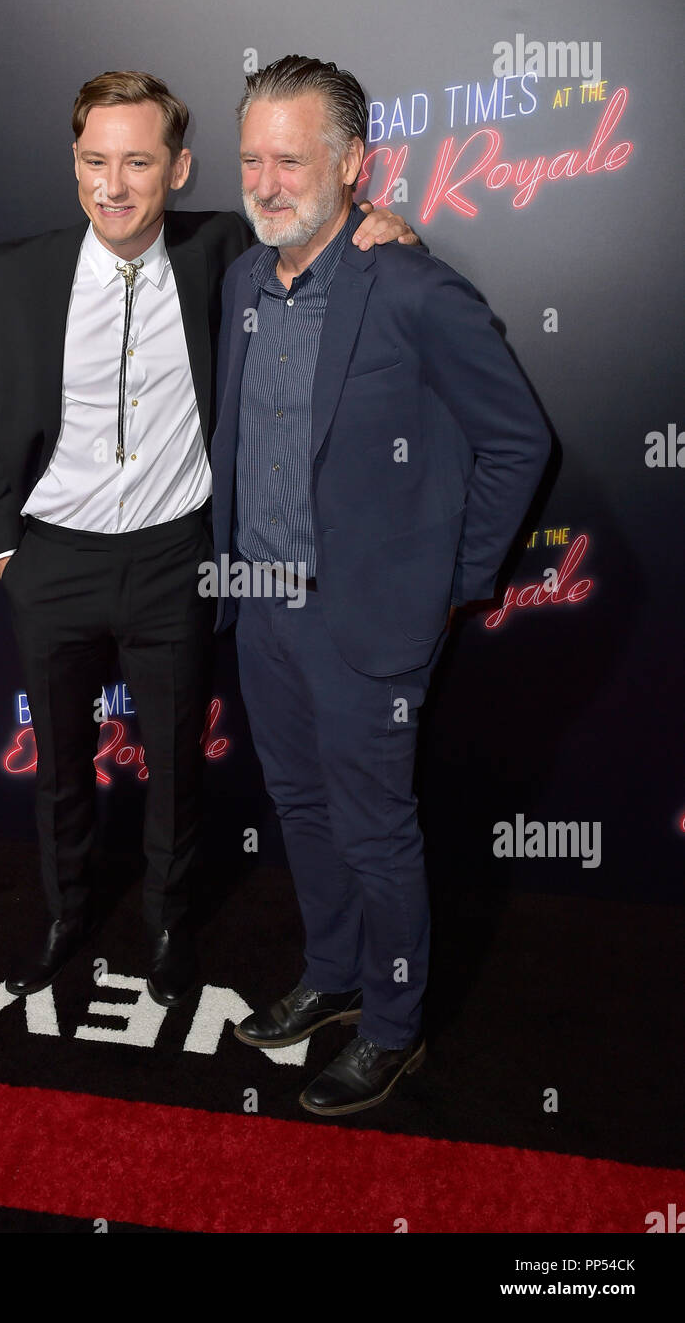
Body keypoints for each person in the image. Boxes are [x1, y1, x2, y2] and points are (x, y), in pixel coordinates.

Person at [0, 69, 414, 1006]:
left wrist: (386, 222)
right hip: (53, 557)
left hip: (176, 559)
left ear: (179, 170)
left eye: (138, 162)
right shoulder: (13, 272)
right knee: (59, 767)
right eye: (95, 160)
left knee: (174, 768)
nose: (113, 185)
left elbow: (317, 212)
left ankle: (169, 929)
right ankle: (65, 912)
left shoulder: (222, 248)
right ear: (74, 163)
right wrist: (5, 544)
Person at [211, 56, 552, 1114]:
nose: (266, 181)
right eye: (250, 158)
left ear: (353, 163)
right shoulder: (240, 278)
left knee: (372, 829)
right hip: (259, 598)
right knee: (302, 809)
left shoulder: (409, 284)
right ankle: (333, 977)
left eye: (291, 158)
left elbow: (518, 441)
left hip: (366, 619)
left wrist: (444, 585)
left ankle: (395, 1029)